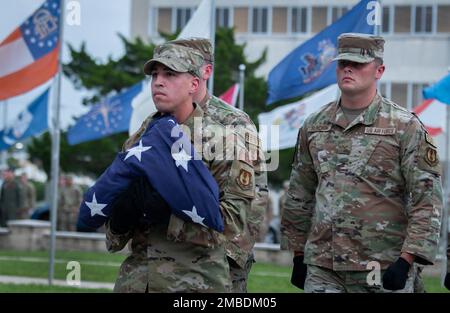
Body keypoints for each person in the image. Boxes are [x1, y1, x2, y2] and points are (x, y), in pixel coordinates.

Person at [280, 33, 443, 293]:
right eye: (343, 62)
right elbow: (300, 193)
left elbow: (427, 200)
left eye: (358, 64)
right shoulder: (315, 125)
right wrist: (298, 254)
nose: (348, 68)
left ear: (379, 70)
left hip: (382, 264)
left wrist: (407, 259)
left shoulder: (404, 127)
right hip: (324, 265)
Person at [105, 42, 256, 293]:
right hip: (137, 281)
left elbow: (234, 224)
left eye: (170, 74)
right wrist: (121, 217)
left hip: (195, 281)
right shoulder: (137, 141)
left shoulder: (223, 140)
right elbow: (113, 235)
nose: (158, 82)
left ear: (194, 84)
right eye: (155, 75)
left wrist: (170, 211)